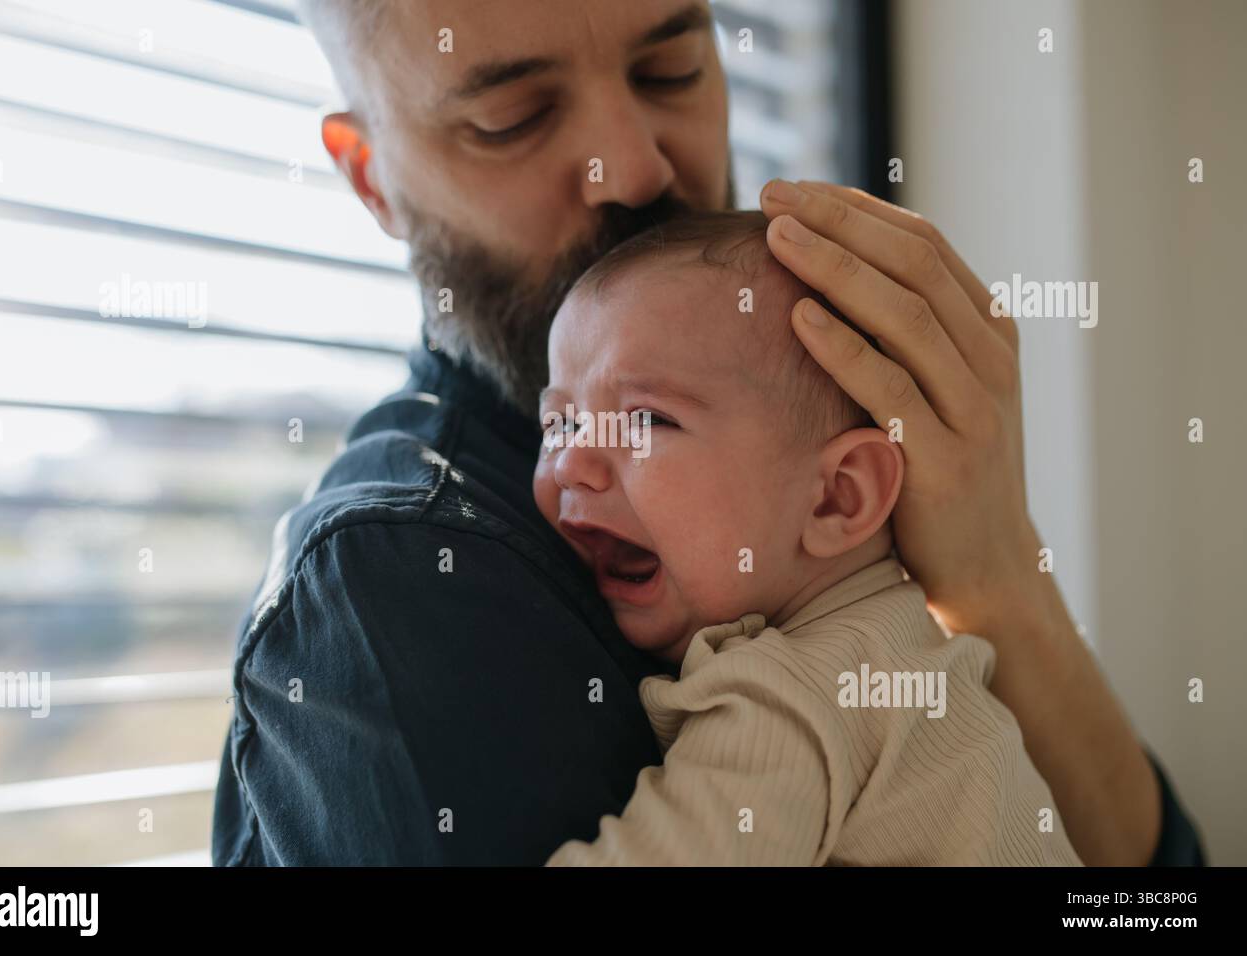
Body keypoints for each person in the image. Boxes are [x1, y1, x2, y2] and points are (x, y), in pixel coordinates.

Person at [211, 0, 1202, 866]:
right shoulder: (406, 572)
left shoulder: (820, 488)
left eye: (671, 69)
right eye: (512, 117)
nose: (636, 167)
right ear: (372, 179)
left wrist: (997, 584)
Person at [536, 210, 1083, 865]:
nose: (571, 461)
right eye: (560, 423)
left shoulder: (793, 692)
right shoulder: (896, 647)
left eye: (647, 420)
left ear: (836, 498)